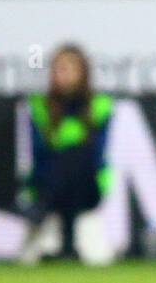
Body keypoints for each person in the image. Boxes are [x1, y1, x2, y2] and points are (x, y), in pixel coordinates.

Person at [18, 45, 115, 266]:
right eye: (59, 68)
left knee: (76, 156)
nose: (63, 74)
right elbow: (38, 153)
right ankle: (67, 245)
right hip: (48, 181)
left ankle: (41, 210)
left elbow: (97, 155)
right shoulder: (39, 105)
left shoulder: (100, 105)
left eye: (70, 68)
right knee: (62, 161)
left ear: (83, 72)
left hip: (87, 186)